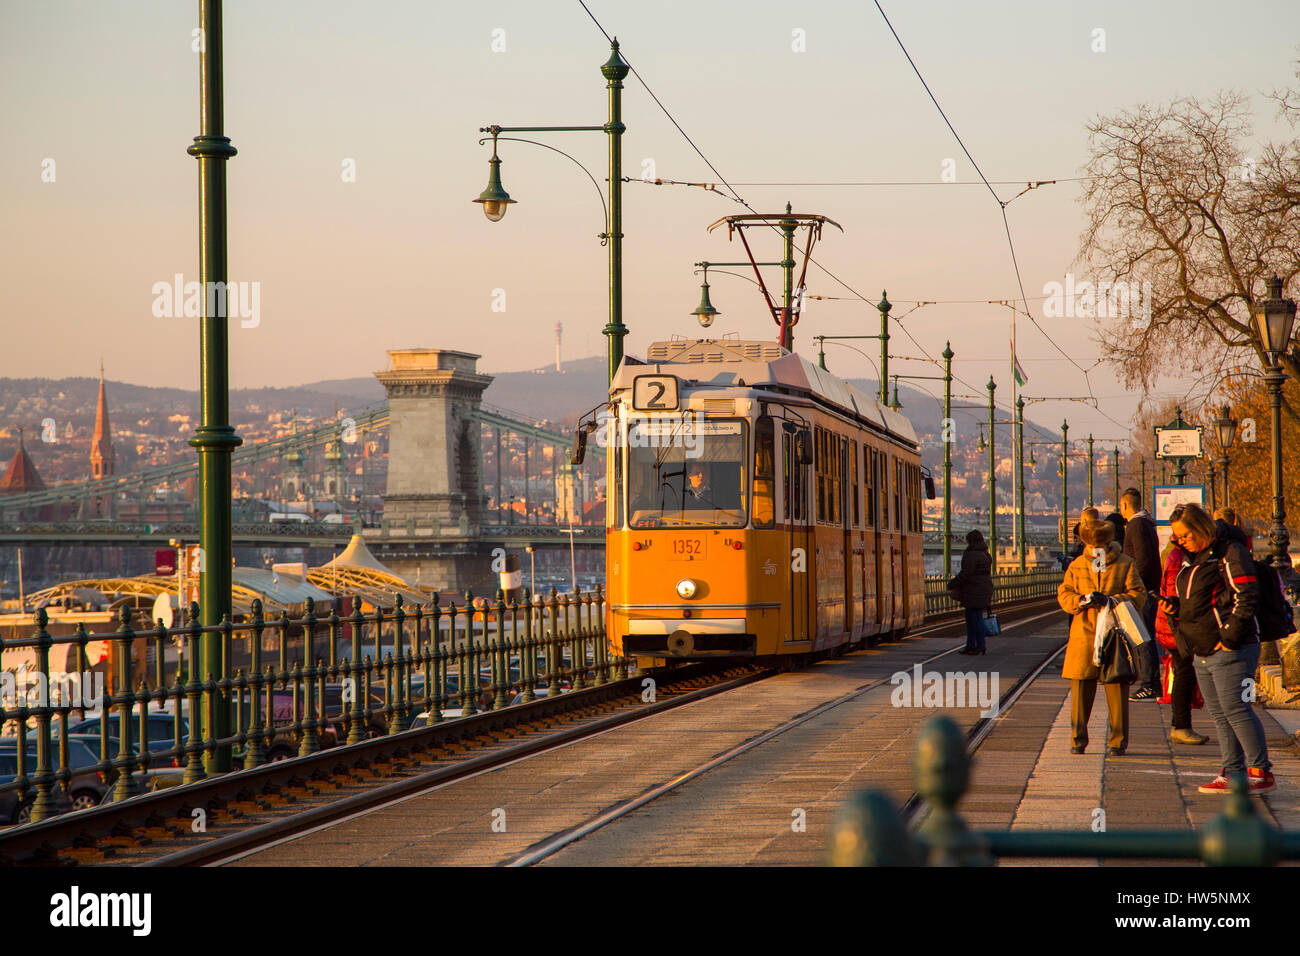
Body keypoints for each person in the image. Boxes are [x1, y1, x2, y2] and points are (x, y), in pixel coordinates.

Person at [1160, 502, 1274, 794]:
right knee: (1221, 714)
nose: (1179, 542)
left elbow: (1246, 596)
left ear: (1200, 528)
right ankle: (1231, 771)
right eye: (1176, 538)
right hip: (1203, 649)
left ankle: (1260, 770)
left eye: (1183, 536)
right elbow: (1199, 603)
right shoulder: (1192, 559)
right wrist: (1176, 608)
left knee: (1236, 708)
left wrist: (1229, 636)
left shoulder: (1229, 553)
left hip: (1231, 648)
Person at [1058, 514, 1146, 755]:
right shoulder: (1077, 565)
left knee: (1116, 684)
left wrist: (1112, 600)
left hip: (1114, 633)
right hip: (1084, 634)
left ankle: (1117, 741)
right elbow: (1064, 594)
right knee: (1081, 690)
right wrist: (1081, 601)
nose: (1095, 550)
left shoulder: (1124, 563)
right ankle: (1078, 739)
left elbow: (1139, 594)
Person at [1153, 527, 1208, 745]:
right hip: (1176, 624)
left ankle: (1181, 725)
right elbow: (1178, 593)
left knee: (1183, 671)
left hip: (1173, 623)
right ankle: (1181, 726)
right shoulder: (1179, 558)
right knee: (1184, 672)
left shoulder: (1175, 554)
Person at [1120, 488, 1160, 700]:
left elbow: (1142, 560)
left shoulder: (1135, 526)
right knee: (1146, 637)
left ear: (1125, 505)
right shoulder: (1146, 524)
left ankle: (1149, 684)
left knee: (1142, 638)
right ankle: (1151, 682)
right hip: (1149, 589)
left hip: (1143, 593)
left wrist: (1135, 588)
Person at [948, 529, 993, 655]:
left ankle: (976, 645)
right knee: (974, 618)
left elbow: (966, 573)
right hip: (984, 588)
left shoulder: (972, 554)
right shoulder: (985, 553)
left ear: (971, 541)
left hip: (974, 590)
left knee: (974, 620)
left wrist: (953, 583)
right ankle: (975, 645)